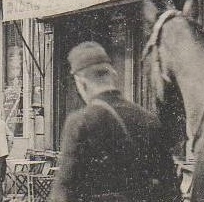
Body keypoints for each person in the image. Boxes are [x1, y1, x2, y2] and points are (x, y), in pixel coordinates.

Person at [49, 41, 177, 202]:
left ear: (81, 82)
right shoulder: (149, 120)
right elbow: (171, 190)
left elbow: (62, 194)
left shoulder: (80, 122)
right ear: (113, 75)